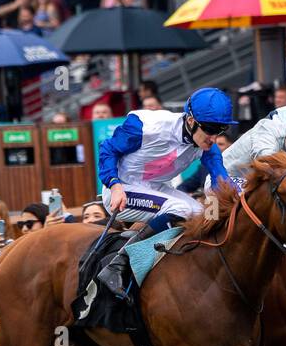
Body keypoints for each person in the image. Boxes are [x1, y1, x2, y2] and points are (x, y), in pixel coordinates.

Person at [95, 87, 238, 299]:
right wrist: (114, 184)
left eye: (221, 129)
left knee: (202, 214)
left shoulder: (208, 146)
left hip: (155, 188)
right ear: (190, 120)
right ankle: (116, 264)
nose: (214, 137)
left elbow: (221, 180)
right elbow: (108, 150)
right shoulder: (145, 126)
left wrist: (239, 201)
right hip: (122, 190)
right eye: (210, 129)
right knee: (180, 208)